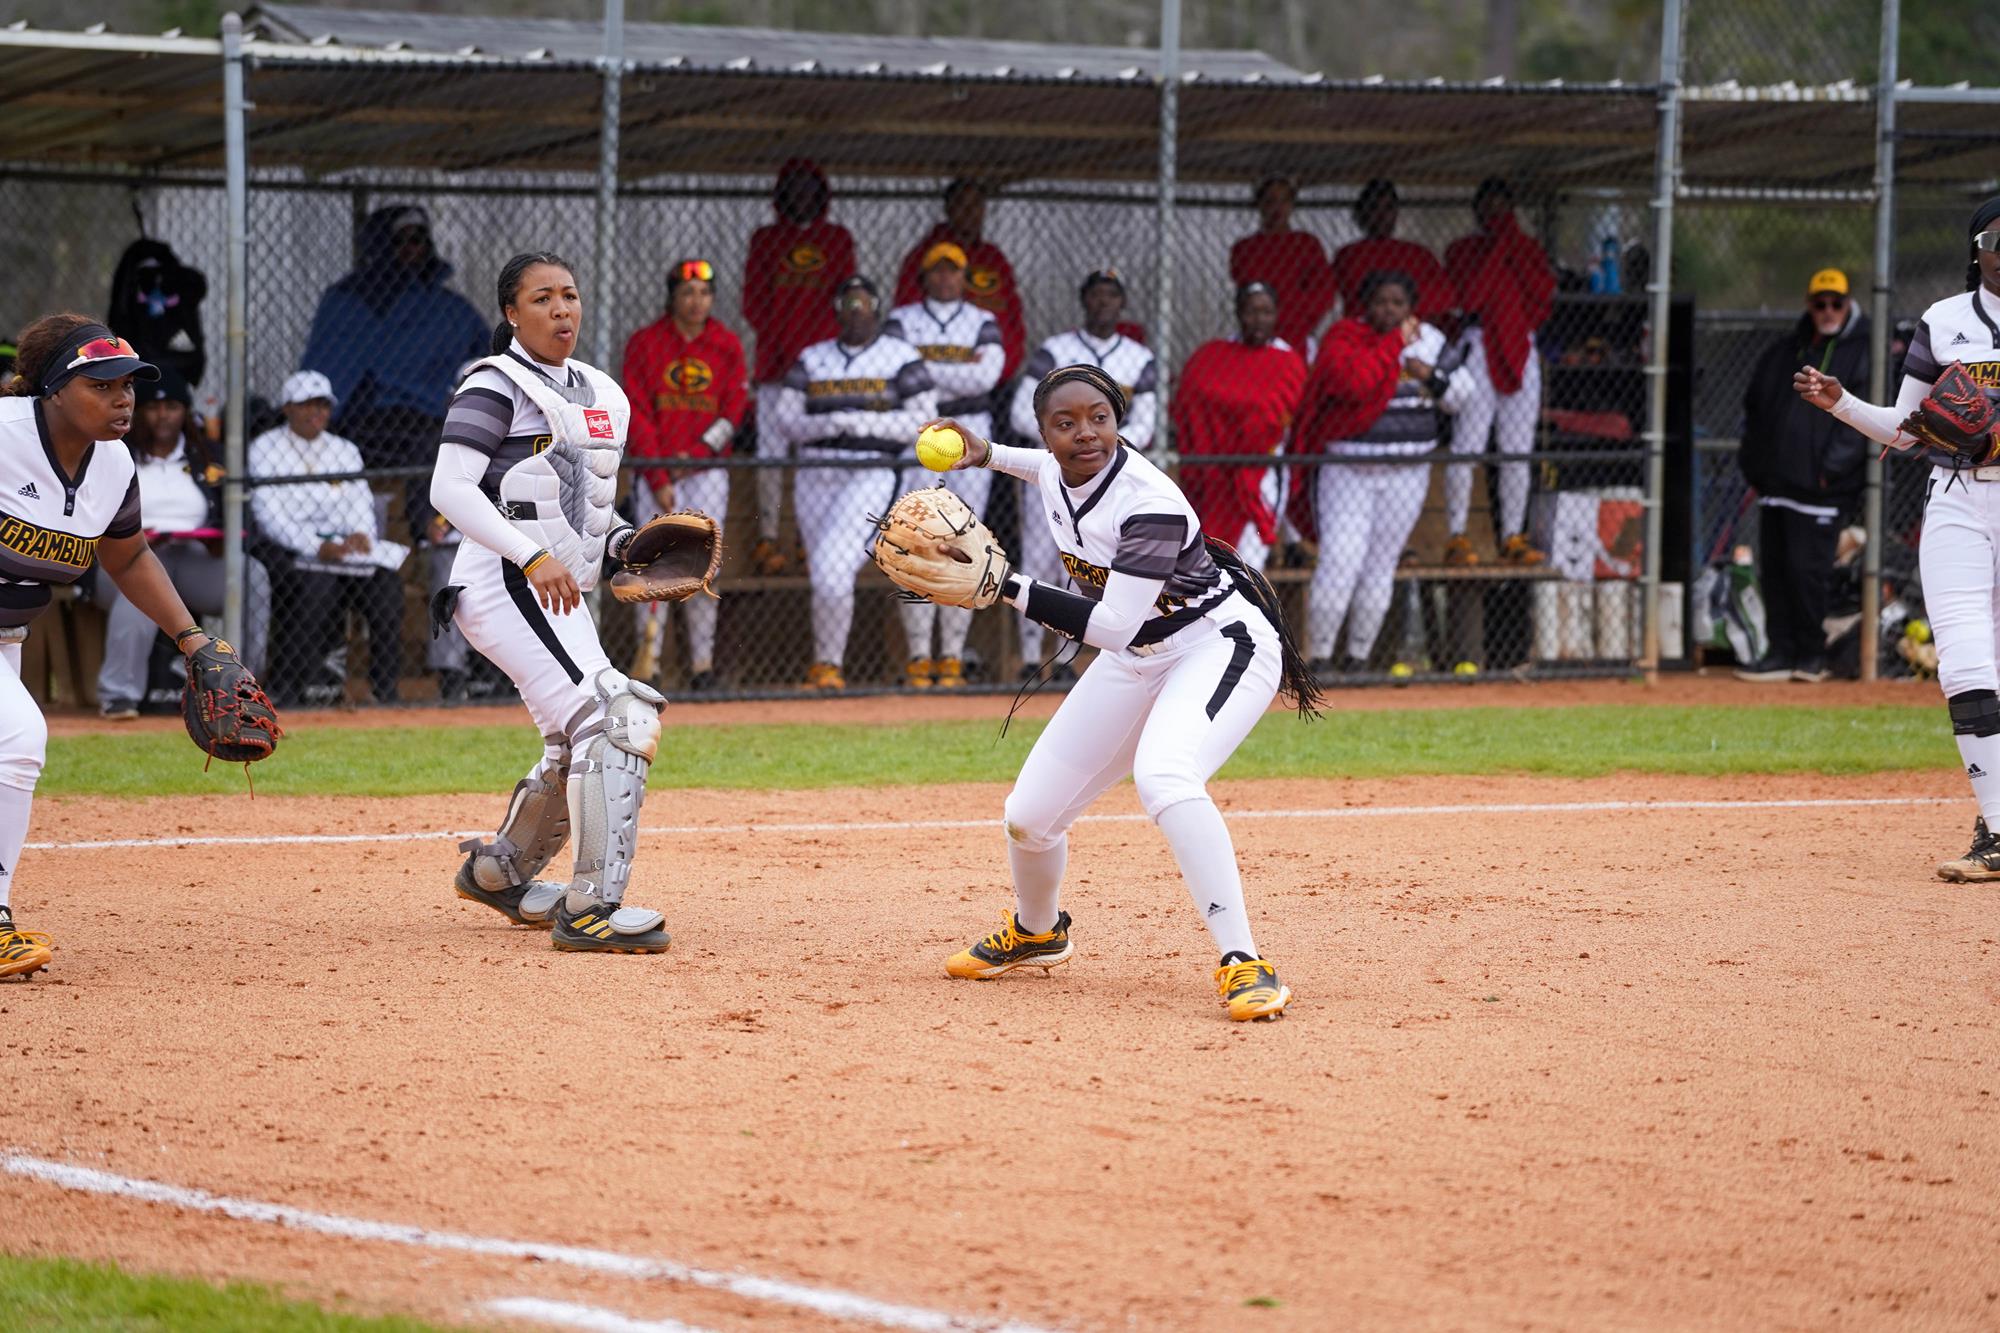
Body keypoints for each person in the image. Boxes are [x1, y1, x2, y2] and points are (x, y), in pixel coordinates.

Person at [922, 365, 1322, 1020]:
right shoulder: (1059, 466)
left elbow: (1111, 624)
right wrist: (984, 453)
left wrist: (1005, 584)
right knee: (1029, 814)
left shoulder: (1149, 504)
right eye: (1066, 422)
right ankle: (1038, 930)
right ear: (1044, 429)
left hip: (1215, 644)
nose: (1086, 434)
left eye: (1099, 418)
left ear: (1119, 420)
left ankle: (1243, 959)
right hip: (1137, 657)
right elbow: (1040, 469)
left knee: (1165, 776)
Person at [430, 250, 671, 954]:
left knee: (579, 737)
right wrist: (530, 556)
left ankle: (498, 871)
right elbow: (450, 489)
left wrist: (627, 543)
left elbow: (579, 503)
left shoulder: (598, 391)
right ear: (511, 313)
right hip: (504, 580)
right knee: (617, 718)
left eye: (569, 295)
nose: (561, 309)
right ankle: (592, 909)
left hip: (552, 588)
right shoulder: (494, 384)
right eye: (541, 299)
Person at [0, 316, 241, 978]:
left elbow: (129, 556)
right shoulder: (4, 434)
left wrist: (191, 638)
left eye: (129, 382)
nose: (123, 396)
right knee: (20, 739)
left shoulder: (111, 465)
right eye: (101, 382)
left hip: (7, 636)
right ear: (50, 390)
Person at [1795, 196, 2000, 882]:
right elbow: (1907, 428)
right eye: (1999, 236)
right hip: (1957, 502)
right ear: (1978, 248)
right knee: (1966, 664)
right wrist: (1842, 403)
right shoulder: (1943, 321)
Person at [1296, 271, 1476, 676]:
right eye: (1381, 302)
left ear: (1411, 306)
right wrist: (1395, 347)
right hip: (1349, 468)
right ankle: (1320, 658)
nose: (1389, 310)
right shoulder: (1346, 335)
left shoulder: (1429, 339)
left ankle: (1358, 659)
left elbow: (1464, 395)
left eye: (1398, 303)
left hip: (1406, 471)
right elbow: (1350, 385)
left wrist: (1429, 374)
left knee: (1380, 565)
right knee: (1340, 560)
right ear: (1365, 304)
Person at [769, 276, 937, 691]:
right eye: (849, 305)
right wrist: (829, 421)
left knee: (831, 568)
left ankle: (829, 664)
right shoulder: (814, 358)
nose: (857, 312)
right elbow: (785, 419)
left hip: (871, 469)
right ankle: (826, 666)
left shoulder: (901, 357)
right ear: (838, 311)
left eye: (864, 304)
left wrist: (859, 420)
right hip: (815, 471)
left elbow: (924, 422)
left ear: (877, 310)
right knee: (824, 572)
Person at [300, 204, 488, 537]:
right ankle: (426, 533)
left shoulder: (450, 308)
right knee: (433, 443)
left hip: (438, 413)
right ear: (381, 246)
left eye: (419, 239)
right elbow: (329, 373)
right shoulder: (350, 301)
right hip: (370, 417)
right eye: (401, 241)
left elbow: (489, 358)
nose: (412, 249)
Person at [1008, 269, 1158, 676]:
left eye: (1112, 295)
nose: (1104, 302)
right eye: (1096, 294)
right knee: (1039, 560)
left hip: (1111, 479)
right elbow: (1023, 409)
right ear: (1084, 300)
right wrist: (1069, 442)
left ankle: (1065, 658)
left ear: (1122, 303)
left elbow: (1147, 422)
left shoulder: (1139, 356)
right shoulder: (1055, 351)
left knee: (1080, 566)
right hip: (1057, 471)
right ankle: (1026, 658)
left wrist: (1099, 445)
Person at [1734, 267, 1871, 684]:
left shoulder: (1862, 351)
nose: (1828, 310)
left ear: (1848, 304)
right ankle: (1781, 651)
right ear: (1809, 306)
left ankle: (1812, 655)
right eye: (1820, 303)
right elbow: (1756, 406)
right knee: (1774, 569)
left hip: (1822, 490)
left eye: (1836, 303)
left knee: (1807, 571)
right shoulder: (1787, 350)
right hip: (1777, 485)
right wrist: (1756, 464)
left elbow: (1863, 419)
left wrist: (1828, 471)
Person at [621, 257, 749, 691]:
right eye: (687, 293)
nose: (696, 301)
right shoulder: (646, 343)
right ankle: (649, 661)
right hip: (653, 473)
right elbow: (637, 414)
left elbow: (731, 414)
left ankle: (701, 665)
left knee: (702, 565)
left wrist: (691, 456)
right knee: (647, 565)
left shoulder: (727, 345)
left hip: (707, 472)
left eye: (704, 293)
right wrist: (659, 476)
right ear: (672, 296)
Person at [885, 243, 1005, 688]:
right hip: (921, 429)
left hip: (971, 431)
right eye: (937, 270)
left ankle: (952, 655)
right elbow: (899, 371)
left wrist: (924, 366)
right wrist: (954, 368)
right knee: (913, 539)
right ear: (925, 275)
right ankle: (919, 654)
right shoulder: (902, 318)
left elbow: (986, 377)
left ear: (964, 275)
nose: (945, 278)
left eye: (953, 270)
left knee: (966, 540)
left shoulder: (983, 321)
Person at [248, 371, 407, 707]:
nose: (316, 413)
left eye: (323, 405)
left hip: (344, 550)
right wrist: (315, 546)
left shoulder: (344, 449)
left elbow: (359, 501)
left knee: (387, 587)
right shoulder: (265, 447)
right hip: (291, 550)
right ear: (288, 408)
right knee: (317, 586)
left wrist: (362, 534)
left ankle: (384, 689)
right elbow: (269, 515)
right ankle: (289, 687)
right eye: (308, 405)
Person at [742, 159, 857, 577]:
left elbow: (845, 301)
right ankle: (769, 536)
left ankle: (812, 540)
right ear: (782, 194)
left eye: (811, 188)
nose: (803, 196)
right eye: (795, 188)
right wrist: (785, 346)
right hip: (775, 367)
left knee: (818, 455)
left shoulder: (837, 239)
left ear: (822, 194)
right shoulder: (766, 239)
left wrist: (820, 356)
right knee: (771, 454)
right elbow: (753, 302)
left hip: (823, 373)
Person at [94, 365, 224, 718]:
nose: (163, 415)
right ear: (139, 411)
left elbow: (235, 514)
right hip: (124, 557)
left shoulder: (206, 455)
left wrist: (223, 540)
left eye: (173, 407)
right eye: (153, 407)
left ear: (186, 412)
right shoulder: (114, 452)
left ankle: (235, 688)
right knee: (141, 584)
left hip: (195, 556)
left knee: (251, 576)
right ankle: (119, 696)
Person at [1442, 177, 1556, 566]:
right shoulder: (1464, 249)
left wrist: (1511, 244)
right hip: (1478, 346)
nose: (1495, 216)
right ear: (1477, 212)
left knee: (1517, 449)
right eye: (1488, 208)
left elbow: (1542, 299)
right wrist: (1500, 246)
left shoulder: (1528, 249)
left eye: (1502, 208)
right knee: (1468, 443)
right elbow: (1471, 295)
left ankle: (1512, 534)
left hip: (1519, 346)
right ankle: (1457, 534)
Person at [1170, 283, 1306, 573]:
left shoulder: (1287, 361)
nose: (1258, 319)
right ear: (1238, 313)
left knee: (1248, 563)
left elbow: (1279, 416)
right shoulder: (1213, 355)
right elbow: (1190, 395)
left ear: (1276, 315)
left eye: (1266, 312)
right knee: (1206, 561)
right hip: (1213, 474)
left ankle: (1244, 618)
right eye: (1250, 311)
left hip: (1259, 473)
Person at [893, 179, 1027, 381]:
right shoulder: (924, 255)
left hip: (996, 375)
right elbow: (907, 312)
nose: (969, 212)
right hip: (933, 373)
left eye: (976, 205)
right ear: (948, 208)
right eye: (961, 204)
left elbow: (1014, 316)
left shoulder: (993, 257)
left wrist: (1006, 366)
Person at [1229, 174, 1334, 355]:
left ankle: (1403, 378)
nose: (1277, 208)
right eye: (1270, 201)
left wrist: (1300, 322)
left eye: (1284, 201)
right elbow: (1245, 290)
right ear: (1260, 205)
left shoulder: (1306, 244)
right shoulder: (1245, 248)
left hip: (1297, 331)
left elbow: (1323, 292)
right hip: (1256, 329)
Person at [1329, 179, 1455, 324]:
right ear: (1362, 212)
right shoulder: (1350, 255)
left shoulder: (1417, 254)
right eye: (1374, 207)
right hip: (1365, 331)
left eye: (1388, 208)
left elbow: (1446, 297)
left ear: (1396, 212)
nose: (1382, 215)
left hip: (1412, 330)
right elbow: (1341, 296)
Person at [107, 238, 208, 389]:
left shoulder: (179, 292)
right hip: (139, 369)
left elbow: (198, 286)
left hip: (177, 370)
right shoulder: (129, 298)